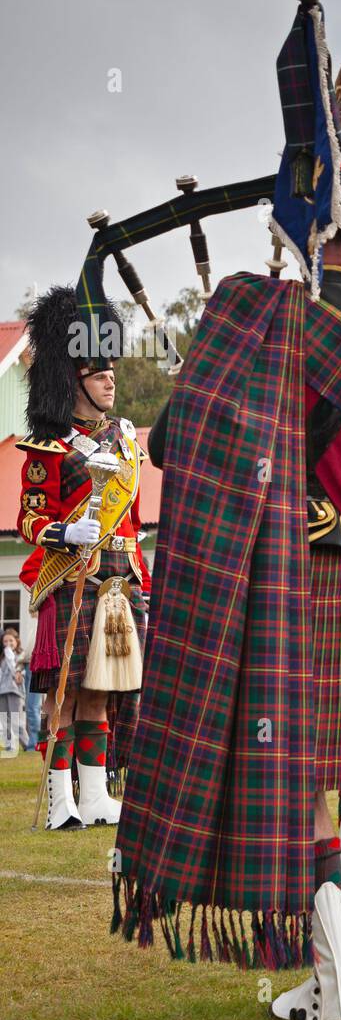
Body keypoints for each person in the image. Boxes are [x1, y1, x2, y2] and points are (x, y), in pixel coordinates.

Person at [114, 0, 341, 1020]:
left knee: (294, 776)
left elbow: (174, 447)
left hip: (281, 575)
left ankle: (333, 973)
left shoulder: (255, 326)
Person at [18, 287, 149, 828]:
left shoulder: (123, 440)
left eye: (112, 374)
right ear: (76, 381)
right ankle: (57, 801)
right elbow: (27, 518)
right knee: (66, 693)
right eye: (100, 376)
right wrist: (65, 531)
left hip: (120, 574)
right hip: (72, 572)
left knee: (101, 690)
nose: (111, 382)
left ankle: (94, 797)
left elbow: (135, 517)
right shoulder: (46, 448)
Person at [0, 630, 24, 757]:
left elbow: (15, 669)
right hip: (2, 690)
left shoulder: (20, 655)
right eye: (5, 641)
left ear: (16, 641)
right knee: (5, 719)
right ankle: (9, 745)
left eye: (11, 641)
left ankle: (27, 744)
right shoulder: (4, 656)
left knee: (16, 719)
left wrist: (9, 653)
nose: (8, 643)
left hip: (14, 690)